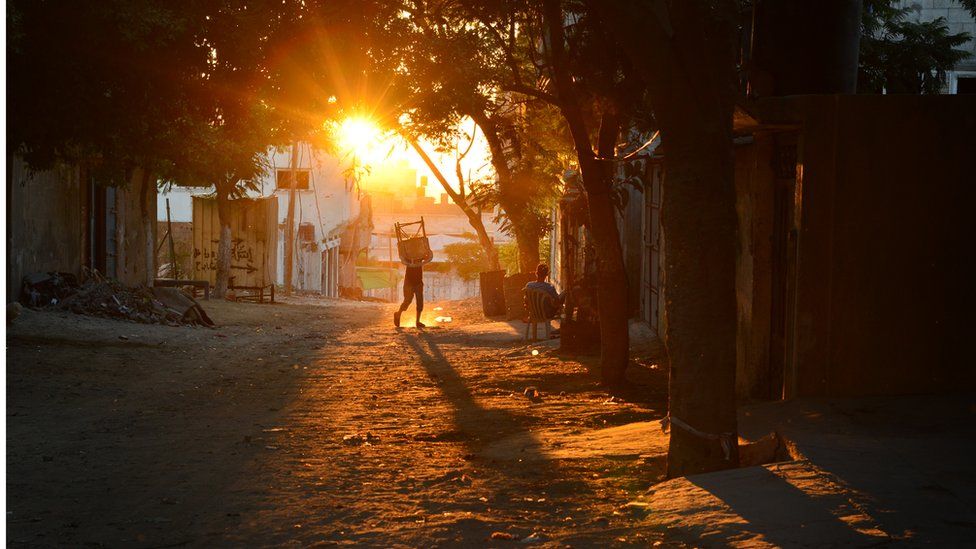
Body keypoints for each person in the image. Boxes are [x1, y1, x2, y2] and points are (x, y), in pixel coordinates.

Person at [394, 249, 433, 328]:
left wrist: (427, 252)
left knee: (419, 301)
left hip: (418, 281)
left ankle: (417, 321)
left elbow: (429, 256)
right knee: (407, 301)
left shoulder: (420, 255)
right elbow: (402, 259)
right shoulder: (408, 255)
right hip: (409, 281)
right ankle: (398, 314)